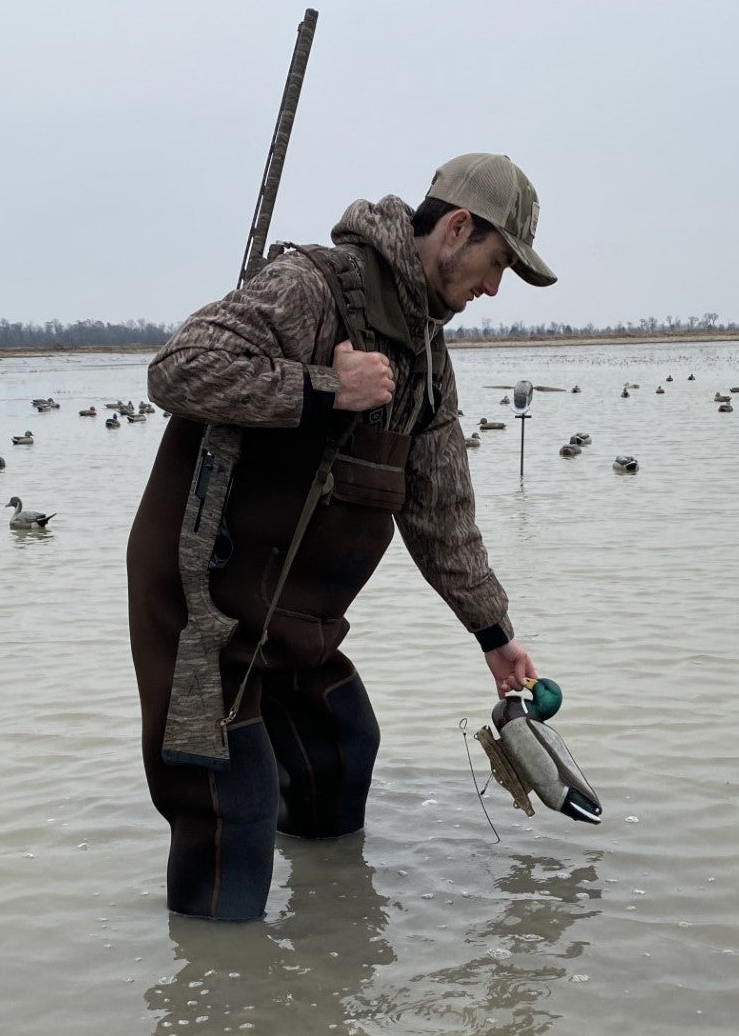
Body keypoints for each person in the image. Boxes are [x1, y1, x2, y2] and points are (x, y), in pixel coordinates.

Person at [127, 152, 556, 920]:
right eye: (495, 265)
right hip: (203, 611)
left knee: (342, 741)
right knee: (232, 805)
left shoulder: (425, 349)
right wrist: (323, 389)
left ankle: (322, 956)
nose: (493, 289)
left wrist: (493, 632)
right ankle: (220, 966)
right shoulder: (311, 287)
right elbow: (177, 369)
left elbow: (440, 510)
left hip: (292, 618)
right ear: (456, 228)